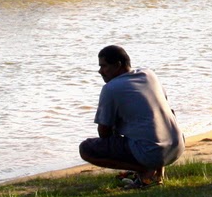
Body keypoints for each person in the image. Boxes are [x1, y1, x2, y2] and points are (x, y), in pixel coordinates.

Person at [78, 45, 185, 188]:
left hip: (152, 153)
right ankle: (157, 170)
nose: (100, 71)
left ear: (117, 65)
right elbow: (167, 109)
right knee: (158, 117)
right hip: (177, 147)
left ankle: (145, 170)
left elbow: (104, 133)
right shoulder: (149, 75)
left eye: (104, 66)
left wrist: (117, 128)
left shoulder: (111, 88)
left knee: (86, 149)